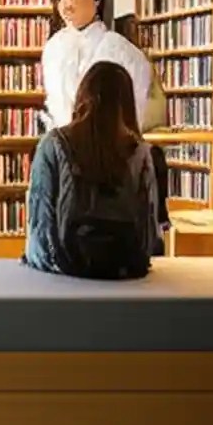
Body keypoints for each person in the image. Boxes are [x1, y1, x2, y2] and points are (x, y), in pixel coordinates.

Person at [41, 0, 169, 246]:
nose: (67, 5)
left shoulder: (123, 52)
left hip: (112, 159)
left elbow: (130, 114)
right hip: (65, 152)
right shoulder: (53, 49)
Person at [22, 62, 157, 279]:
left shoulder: (55, 144)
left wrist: (42, 264)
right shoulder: (139, 152)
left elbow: (40, 225)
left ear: (83, 97)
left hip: (66, 268)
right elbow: (148, 231)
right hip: (124, 269)